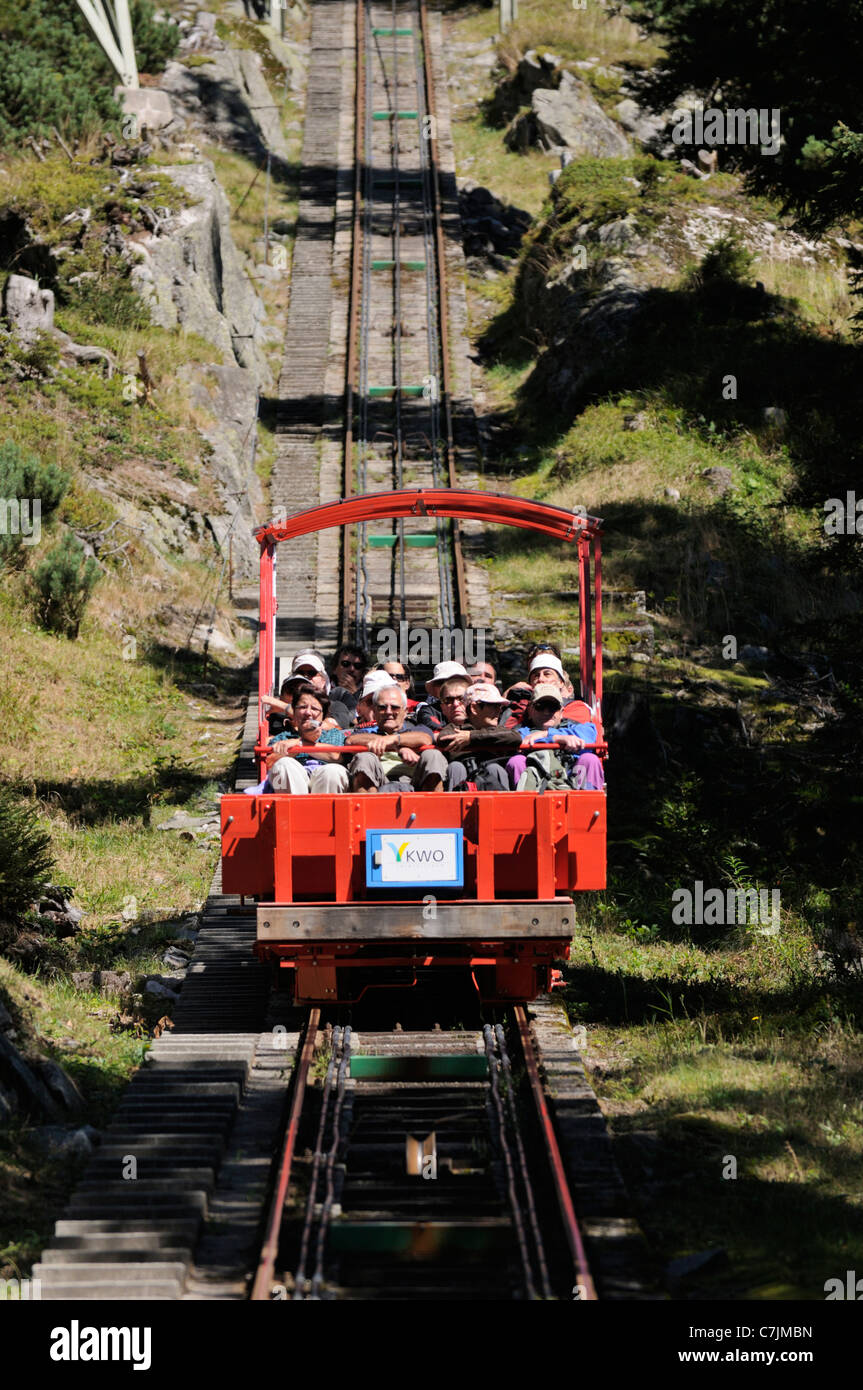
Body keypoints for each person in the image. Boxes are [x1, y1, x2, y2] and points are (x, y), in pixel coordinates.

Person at [349, 685, 448, 792]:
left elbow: (426, 738)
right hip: (378, 783)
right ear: (375, 711)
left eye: (394, 707)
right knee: (365, 757)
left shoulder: (417, 729)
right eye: (382, 708)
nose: (388, 712)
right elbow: (351, 741)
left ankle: (432, 805)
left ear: (405, 712)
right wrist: (398, 747)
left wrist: (393, 739)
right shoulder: (365, 732)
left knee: (433, 755)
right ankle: (368, 806)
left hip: (417, 784)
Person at [506, 684, 604, 791]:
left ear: (561, 712)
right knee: (516, 761)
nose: (546, 712)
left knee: (590, 759)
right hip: (535, 779)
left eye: (553, 707)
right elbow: (520, 741)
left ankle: (586, 804)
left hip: (571, 777)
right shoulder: (522, 732)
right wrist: (556, 739)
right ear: (530, 711)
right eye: (540, 706)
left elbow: (588, 737)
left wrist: (547, 734)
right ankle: (523, 804)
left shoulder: (576, 727)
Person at [266, 684, 350, 794]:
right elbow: (270, 762)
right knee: (284, 764)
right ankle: (294, 809)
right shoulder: (283, 737)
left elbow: (336, 756)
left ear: (322, 715)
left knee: (332, 771)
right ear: (294, 713)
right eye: (302, 707)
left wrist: (299, 744)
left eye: (314, 708)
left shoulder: (333, 734)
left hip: (323, 778)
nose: (308, 713)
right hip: (295, 778)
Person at [436, 682, 520, 790]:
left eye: (499, 706)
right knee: (456, 767)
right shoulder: (456, 728)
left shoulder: (501, 730)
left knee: (494, 768)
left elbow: (515, 738)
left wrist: (471, 737)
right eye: (494, 705)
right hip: (463, 781)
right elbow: (443, 739)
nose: (499, 710)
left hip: (493, 781)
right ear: (474, 708)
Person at [288, 650, 352, 728]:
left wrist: (285, 708)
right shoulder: (281, 703)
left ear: (323, 680)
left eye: (311, 673)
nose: (305, 678)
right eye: (300, 673)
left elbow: (329, 726)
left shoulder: (336, 707)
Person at [414, 660, 470, 731]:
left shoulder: (481, 708)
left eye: (461, 699)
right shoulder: (428, 711)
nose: (447, 686)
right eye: (441, 682)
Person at [329, 644, 367, 715]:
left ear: (362, 672)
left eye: (357, 666)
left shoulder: (368, 692)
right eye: (345, 664)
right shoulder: (325, 688)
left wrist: (356, 695)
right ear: (334, 668)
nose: (351, 669)